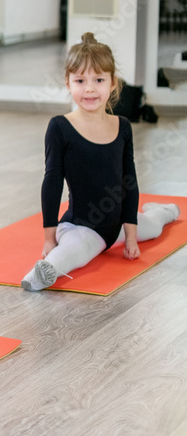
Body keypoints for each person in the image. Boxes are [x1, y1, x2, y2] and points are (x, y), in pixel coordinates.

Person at [21, 34, 180, 291]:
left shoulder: (122, 126)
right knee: (77, 251)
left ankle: (167, 211)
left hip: (118, 225)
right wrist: (49, 238)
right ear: (68, 82)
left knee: (153, 228)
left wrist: (130, 236)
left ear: (113, 83)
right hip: (81, 227)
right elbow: (52, 182)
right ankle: (41, 273)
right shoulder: (60, 127)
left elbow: (129, 181)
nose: (90, 89)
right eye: (80, 81)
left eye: (99, 80)